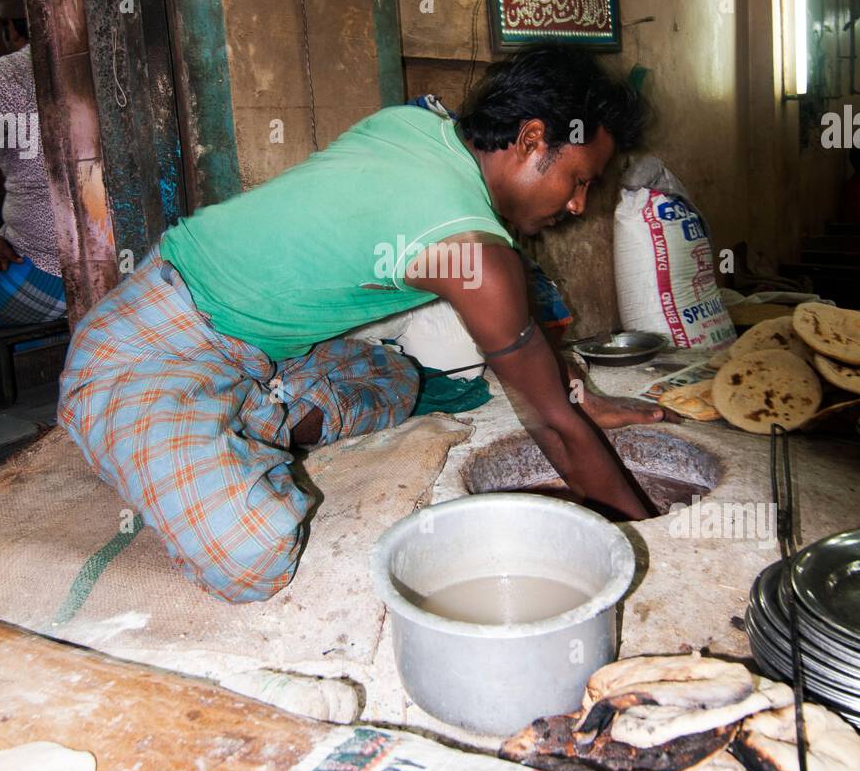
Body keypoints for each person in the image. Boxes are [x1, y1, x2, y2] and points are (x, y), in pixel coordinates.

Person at [59, 46, 662, 604]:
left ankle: (245, 414)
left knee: (399, 382)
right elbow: (552, 428)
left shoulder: (420, 129)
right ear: (532, 140)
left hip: (267, 356)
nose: (579, 204)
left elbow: (533, 359)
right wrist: (648, 544)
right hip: (147, 346)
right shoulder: (474, 256)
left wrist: (573, 394)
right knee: (251, 554)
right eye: (579, 180)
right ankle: (163, 422)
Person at [0, 0, 66, 327]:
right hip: (129, 270)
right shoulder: (104, 66)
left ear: (11, 26)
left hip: (45, 275)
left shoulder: (6, 76)